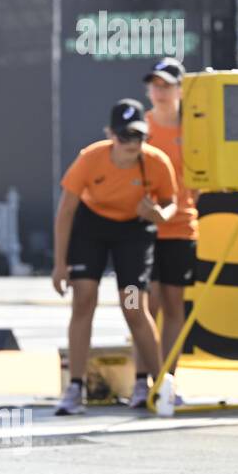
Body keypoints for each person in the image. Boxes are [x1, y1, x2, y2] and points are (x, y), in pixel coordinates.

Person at [52, 99, 179, 415]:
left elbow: (170, 203)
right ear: (110, 134)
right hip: (91, 228)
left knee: (134, 305)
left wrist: (158, 215)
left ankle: (155, 383)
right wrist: (59, 264)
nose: (131, 145)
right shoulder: (90, 159)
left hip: (131, 234)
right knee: (84, 298)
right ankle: (76, 387)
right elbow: (66, 210)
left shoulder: (156, 162)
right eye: (124, 137)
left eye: (138, 137)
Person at [141, 57, 197, 407]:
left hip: (180, 228)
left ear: (180, 90)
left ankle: (167, 381)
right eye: (155, 85)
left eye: (167, 85)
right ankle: (144, 380)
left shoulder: (193, 128)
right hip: (143, 230)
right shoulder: (139, 126)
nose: (160, 92)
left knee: (174, 305)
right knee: (146, 304)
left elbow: (201, 175)